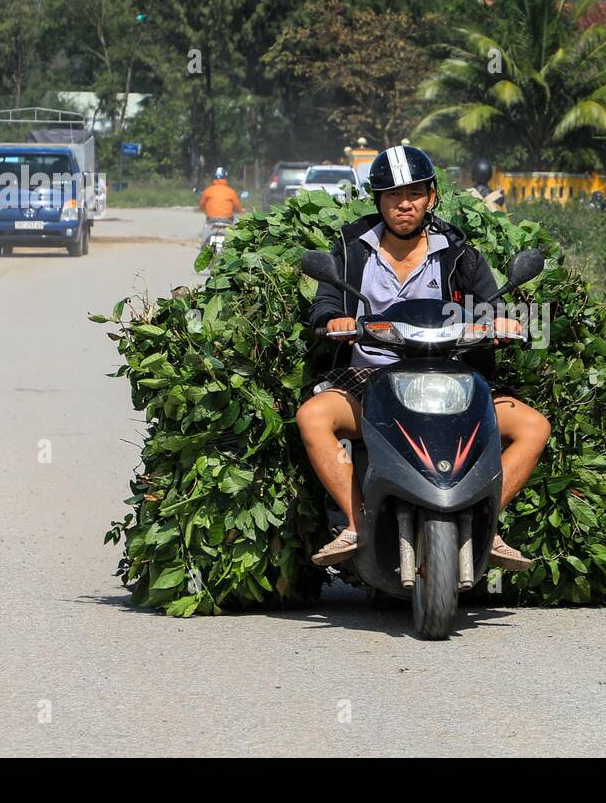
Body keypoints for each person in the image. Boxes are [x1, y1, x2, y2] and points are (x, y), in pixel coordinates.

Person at [297, 145, 548, 570]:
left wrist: (502, 324)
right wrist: (333, 319)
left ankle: (489, 523)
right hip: (369, 378)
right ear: (378, 200)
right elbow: (325, 301)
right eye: (393, 195)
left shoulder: (458, 253)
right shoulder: (352, 250)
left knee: (533, 427)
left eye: (414, 193)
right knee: (313, 417)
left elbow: (490, 306)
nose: (404, 204)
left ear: (431, 196)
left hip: (451, 378)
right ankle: (357, 522)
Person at [199, 167, 242, 246]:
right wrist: (240, 211)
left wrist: (205, 211)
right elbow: (238, 207)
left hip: (211, 220)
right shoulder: (231, 192)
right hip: (227, 221)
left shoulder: (208, 191)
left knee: (204, 238)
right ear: (226, 178)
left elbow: (201, 205)